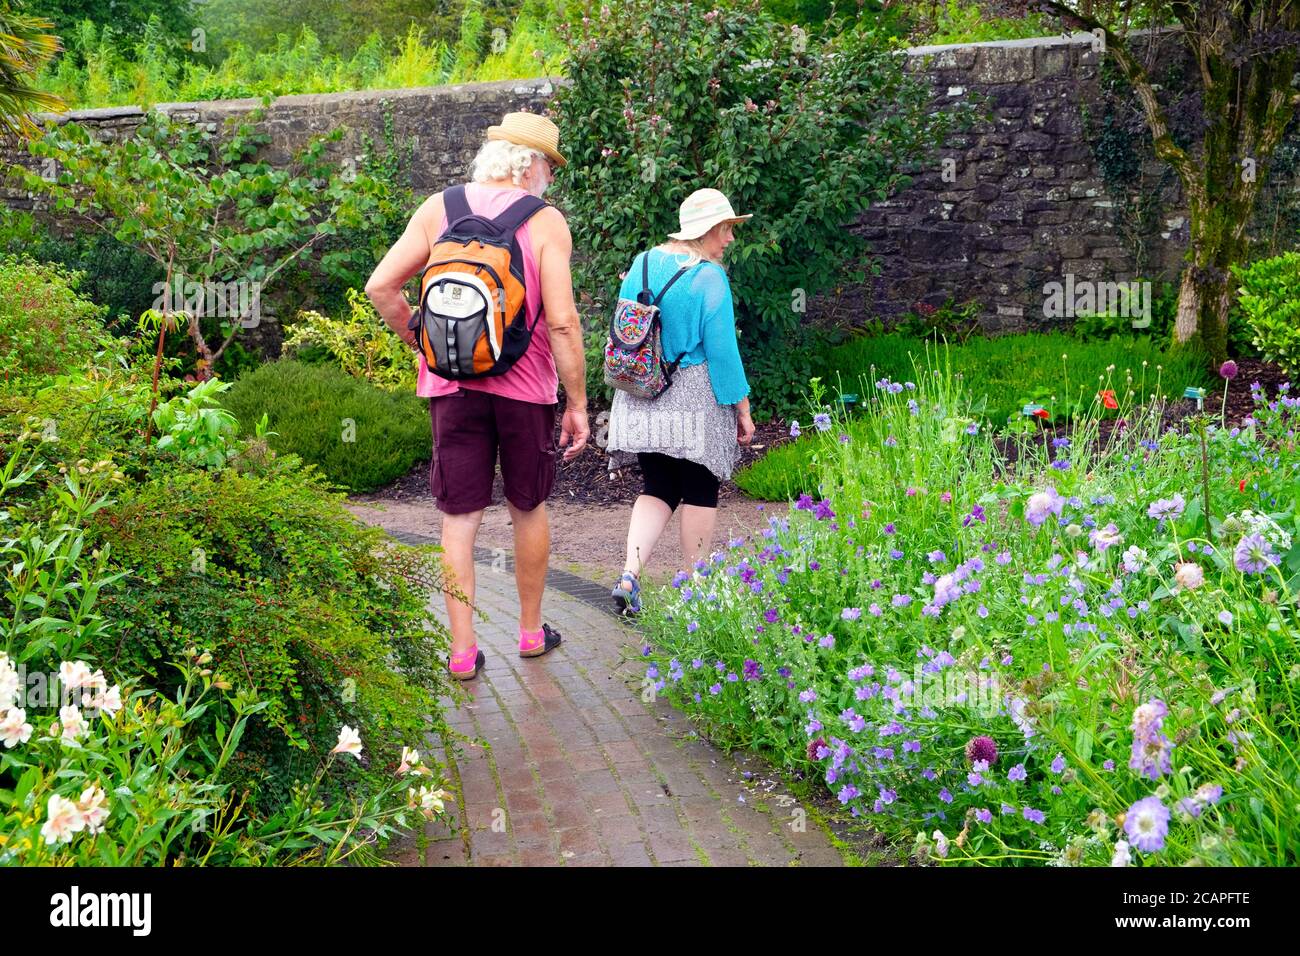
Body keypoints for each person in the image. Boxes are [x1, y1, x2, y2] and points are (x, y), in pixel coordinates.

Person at [365, 112, 590, 680]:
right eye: (550, 169)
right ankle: (531, 632)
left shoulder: (439, 208)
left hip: (452, 386)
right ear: (534, 166)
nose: (550, 181)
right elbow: (562, 323)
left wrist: (421, 340)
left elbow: (380, 287)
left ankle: (462, 652)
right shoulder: (545, 222)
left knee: (458, 519)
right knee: (528, 506)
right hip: (525, 391)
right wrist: (579, 403)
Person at [606, 188, 756, 615]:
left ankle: (629, 575)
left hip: (642, 393)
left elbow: (627, 327)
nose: (729, 239)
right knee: (699, 489)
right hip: (692, 396)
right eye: (726, 229)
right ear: (707, 230)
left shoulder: (643, 262)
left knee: (657, 487)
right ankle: (699, 593)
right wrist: (741, 409)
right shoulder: (709, 277)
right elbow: (723, 351)